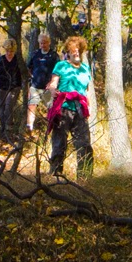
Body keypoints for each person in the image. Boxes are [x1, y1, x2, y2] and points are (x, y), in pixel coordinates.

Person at [46, 36, 93, 177]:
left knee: (84, 144)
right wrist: (52, 90)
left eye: (79, 51)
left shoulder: (85, 68)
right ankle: (55, 174)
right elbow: (53, 83)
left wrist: (88, 107)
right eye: (73, 51)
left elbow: (87, 90)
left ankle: (85, 176)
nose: (76, 53)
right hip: (63, 108)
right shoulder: (61, 66)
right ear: (69, 52)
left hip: (80, 109)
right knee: (59, 143)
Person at [26, 33, 58, 135]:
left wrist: (52, 83)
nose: (42, 45)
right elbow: (28, 68)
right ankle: (29, 128)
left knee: (50, 107)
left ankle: (50, 129)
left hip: (48, 87)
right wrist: (32, 77)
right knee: (31, 106)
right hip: (35, 86)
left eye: (44, 43)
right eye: (40, 43)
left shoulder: (54, 55)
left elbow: (58, 71)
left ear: (49, 43)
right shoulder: (35, 54)